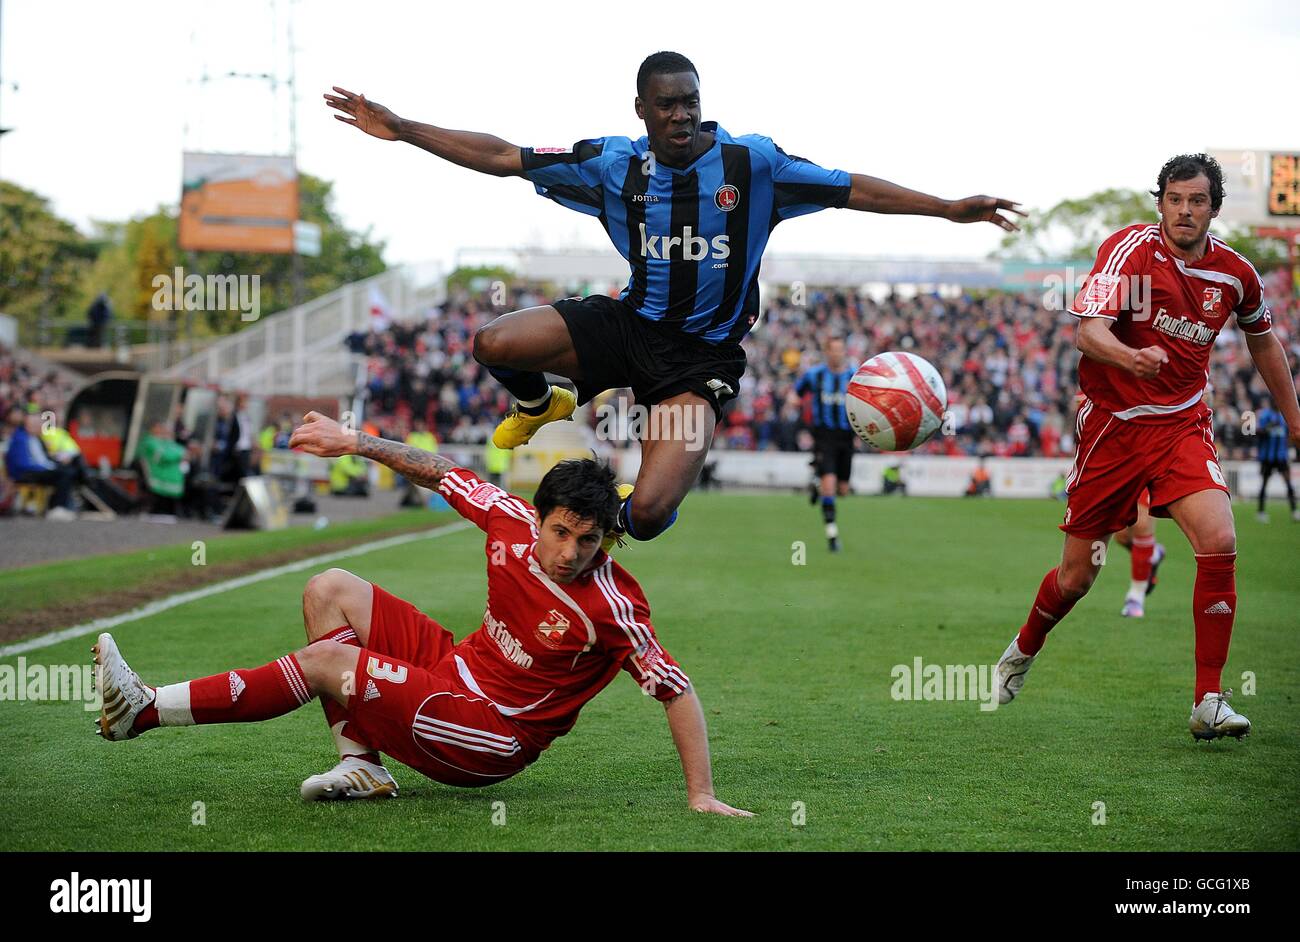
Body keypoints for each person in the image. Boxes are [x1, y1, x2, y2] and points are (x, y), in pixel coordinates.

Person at [324, 50, 1022, 551]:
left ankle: (609, 537)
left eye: (691, 100)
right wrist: (405, 129)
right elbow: (505, 155)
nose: (682, 114)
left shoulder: (754, 165)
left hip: (699, 360)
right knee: (494, 343)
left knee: (650, 513)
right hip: (628, 324)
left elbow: (852, 189)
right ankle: (542, 405)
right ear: (642, 110)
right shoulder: (612, 164)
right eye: (668, 104)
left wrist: (947, 209)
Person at [94, 417, 751, 817]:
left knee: (328, 662)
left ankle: (144, 710)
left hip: (491, 736)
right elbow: (439, 472)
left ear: (607, 537)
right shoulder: (508, 519)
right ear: (538, 517)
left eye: (589, 540)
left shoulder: (611, 605)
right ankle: (364, 766)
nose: (571, 553)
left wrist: (700, 792)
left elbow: (676, 688)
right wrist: (352, 441)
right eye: (561, 533)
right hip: (451, 670)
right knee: (330, 588)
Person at [991, 154, 1300, 741]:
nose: (1186, 211)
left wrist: (1294, 418)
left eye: (1199, 201)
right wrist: (1131, 357)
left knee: (1220, 539)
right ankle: (1025, 647)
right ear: (1159, 202)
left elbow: (1265, 345)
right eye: (1176, 199)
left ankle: (1208, 698)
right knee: (1077, 578)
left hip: (1182, 426)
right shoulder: (1129, 251)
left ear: (1214, 207)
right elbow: (1087, 330)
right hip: (1112, 428)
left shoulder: (1235, 274)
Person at [793, 336, 857, 552]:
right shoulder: (815, 374)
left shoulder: (854, 376)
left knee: (843, 490)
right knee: (830, 486)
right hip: (824, 437)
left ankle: (817, 482)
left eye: (840, 350)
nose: (837, 354)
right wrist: (795, 403)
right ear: (827, 352)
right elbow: (796, 393)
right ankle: (832, 536)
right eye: (833, 350)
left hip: (847, 437)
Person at [4, 404, 77, 518]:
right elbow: (23, 463)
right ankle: (56, 508)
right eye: (37, 424)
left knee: (68, 471)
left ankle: (59, 506)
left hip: (37, 469)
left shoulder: (36, 438)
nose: (40, 426)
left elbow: (44, 458)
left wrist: (53, 464)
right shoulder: (20, 439)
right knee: (64, 474)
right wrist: (49, 467)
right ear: (28, 424)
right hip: (26, 472)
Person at [1112, 491, 1166, 618]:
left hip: (1153, 472)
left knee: (1141, 523)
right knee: (1122, 535)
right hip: (1124, 473)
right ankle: (1152, 554)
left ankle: (1135, 599)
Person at [1254, 396, 1296, 522]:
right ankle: (1261, 512)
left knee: (1288, 483)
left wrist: (1290, 449)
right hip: (1268, 457)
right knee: (1264, 484)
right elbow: (1257, 432)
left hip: (1281, 456)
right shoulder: (1265, 415)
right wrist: (1268, 428)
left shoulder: (1284, 416)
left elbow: (1289, 435)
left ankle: (1294, 511)